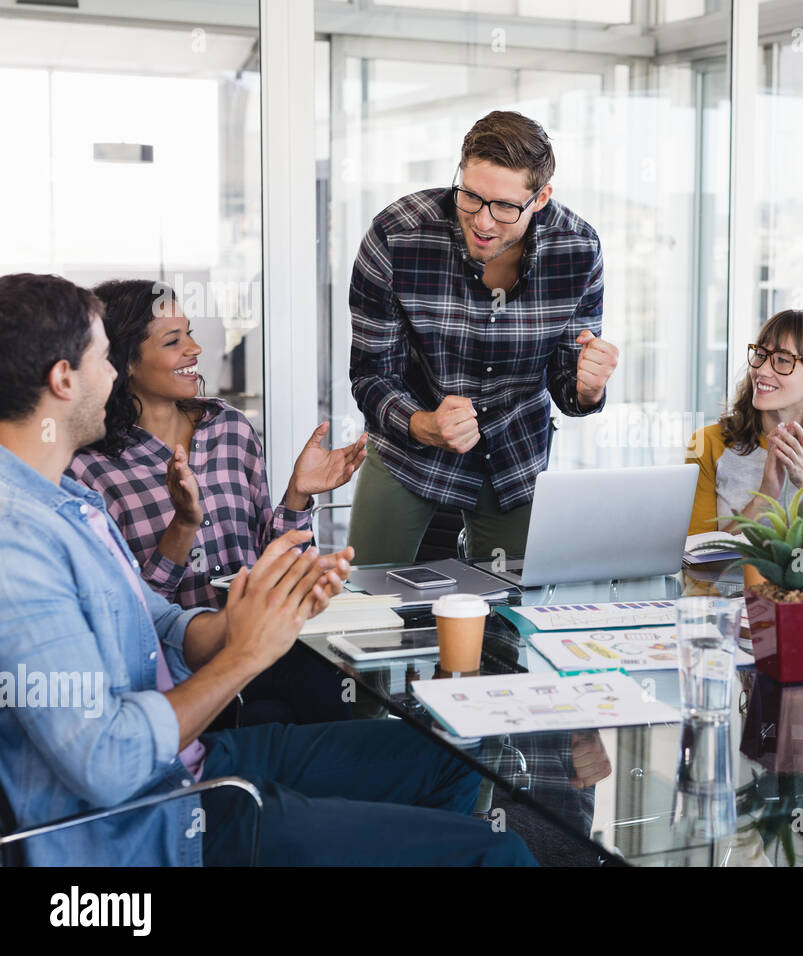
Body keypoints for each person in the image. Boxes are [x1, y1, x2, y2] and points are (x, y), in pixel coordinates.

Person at [0, 273, 534, 866]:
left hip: (190, 761)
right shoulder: (16, 545)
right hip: (158, 819)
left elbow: (162, 624)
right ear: (63, 379)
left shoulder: (69, 506)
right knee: (499, 853)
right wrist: (247, 654)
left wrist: (267, 611)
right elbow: (108, 762)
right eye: (103, 358)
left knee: (450, 752)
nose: (112, 374)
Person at [67, 279, 363, 725]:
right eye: (174, 340)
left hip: (268, 645)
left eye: (189, 332)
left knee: (348, 700)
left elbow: (272, 562)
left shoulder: (229, 427)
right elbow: (131, 614)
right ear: (125, 361)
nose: (195, 349)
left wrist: (298, 495)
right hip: (178, 672)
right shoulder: (89, 469)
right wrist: (182, 526)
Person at [348, 110, 619, 564]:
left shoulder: (578, 250)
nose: (483, 222)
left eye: (505, 206)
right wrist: (423, 425)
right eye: (470, 196)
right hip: (408, 449)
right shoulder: (396, 236)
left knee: (511, 608)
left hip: (515, 453)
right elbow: (371, 374)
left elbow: (567, 386)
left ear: (541, 198)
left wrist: (588, 389)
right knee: (367, 598)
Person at [686, 309, 803, 551]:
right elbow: (694, 554)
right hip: (732, 589)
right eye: (760, 354)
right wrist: (765, 495)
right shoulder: (708, 442)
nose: (762, 370)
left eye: (783, 360)